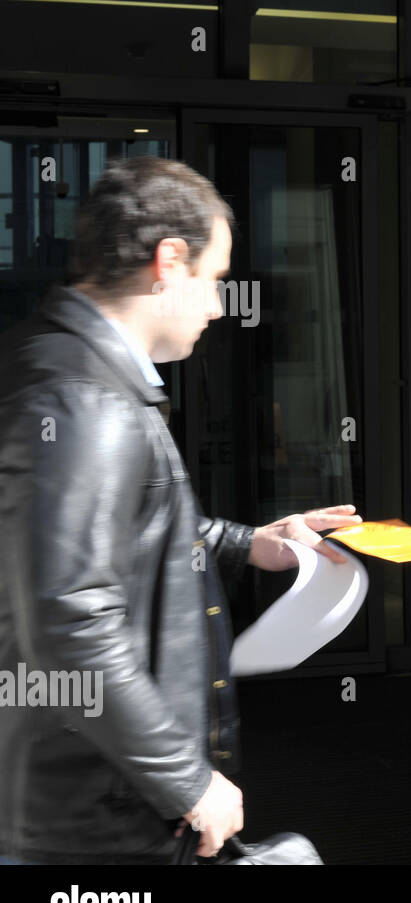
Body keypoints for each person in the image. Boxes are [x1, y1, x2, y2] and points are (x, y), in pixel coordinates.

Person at [0, 156, 361, 864]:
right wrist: (187, 777)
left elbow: (113, 532)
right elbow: (68, 619)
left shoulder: (67, 371)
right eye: (216, 279)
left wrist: (250, 542)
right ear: (169, 261)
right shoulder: (85, 401)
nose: (222, 305)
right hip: (89, 833)